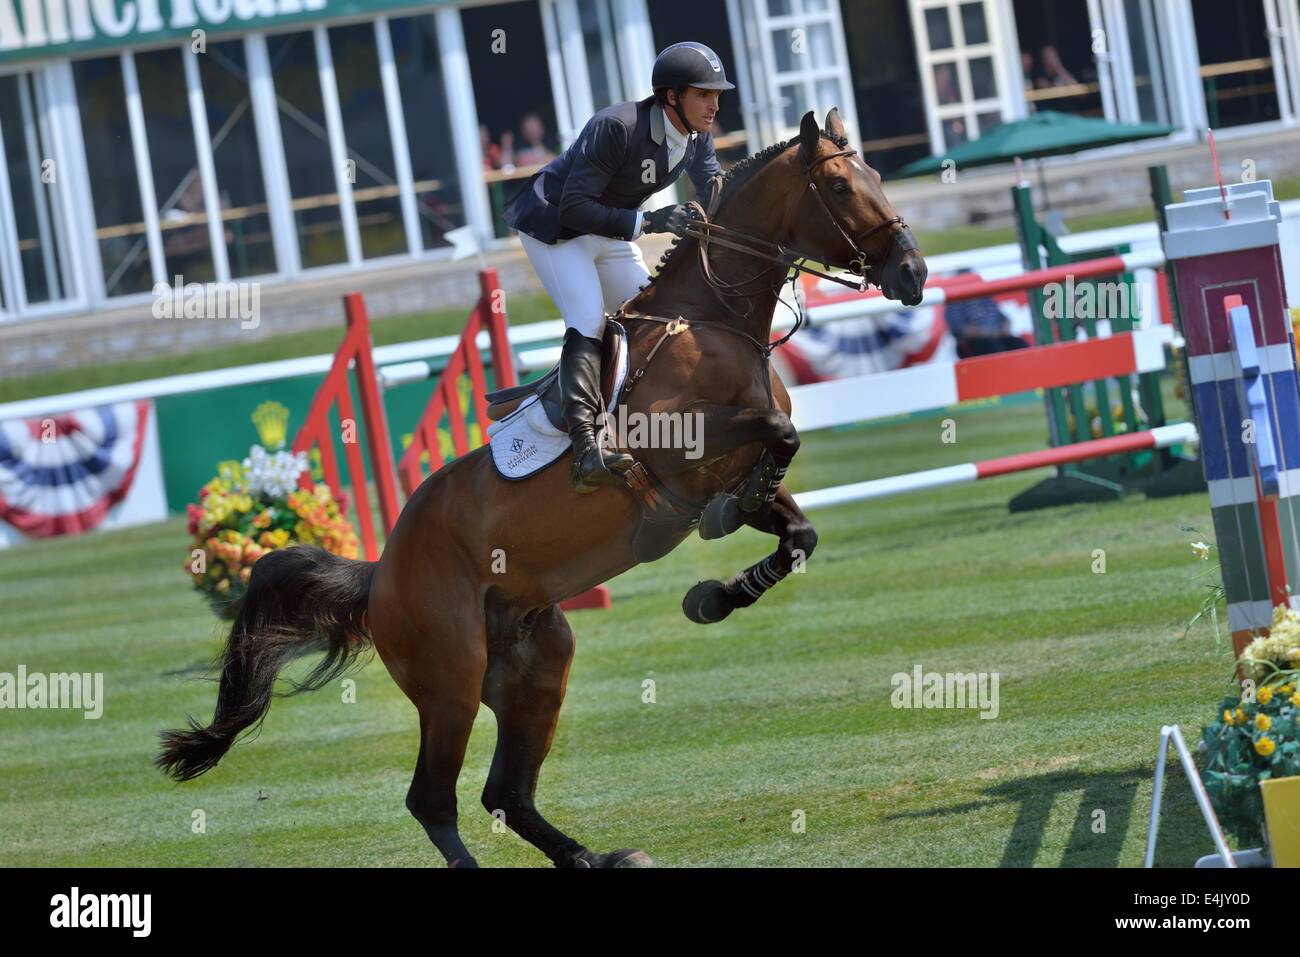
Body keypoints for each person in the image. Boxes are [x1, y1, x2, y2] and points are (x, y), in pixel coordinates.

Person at [502, 41, 730, 493]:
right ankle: (586, 450)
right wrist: (650, 221)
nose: (714, 104)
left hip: (606, 227)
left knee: (659, 318)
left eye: (716, 94)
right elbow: (574, 207)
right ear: (671, 96)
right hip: (554, 225)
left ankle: (655, 428)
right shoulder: (616, 127)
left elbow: (716, 190)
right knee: (588, 319)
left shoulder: (697, 135)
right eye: (704, 94)